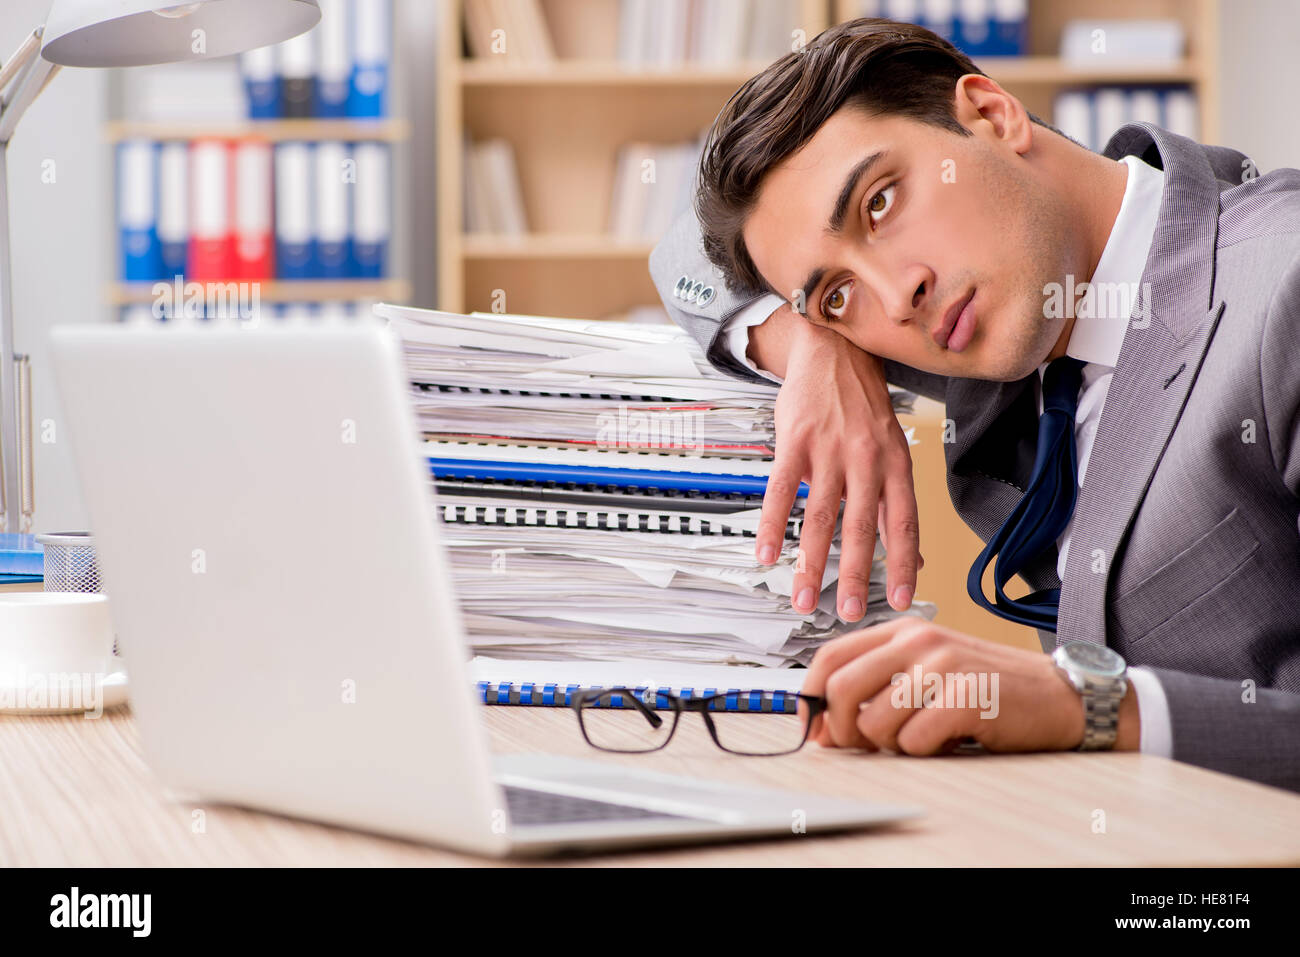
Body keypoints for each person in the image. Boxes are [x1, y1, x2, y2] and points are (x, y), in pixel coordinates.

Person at [649, 18, 1300, 792]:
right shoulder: (1001, 318)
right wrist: (812, 345)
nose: (895, 298)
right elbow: (679, 253)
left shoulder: (1279, 289)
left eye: (880, 202)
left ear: (992, 115)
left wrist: (1089, 707)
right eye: (839, 291)